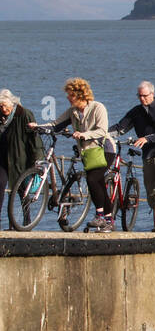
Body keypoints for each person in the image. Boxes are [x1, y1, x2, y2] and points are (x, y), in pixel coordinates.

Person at [34, 78, 114, 231]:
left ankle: (99, 217)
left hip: (104, 149)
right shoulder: (73, 111)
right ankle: (109, 220)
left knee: (93, 179)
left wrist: (84, 135)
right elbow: (56, 124)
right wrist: (38, 126)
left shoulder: (98, 107)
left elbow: (102, 131)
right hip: (88, 153)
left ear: (80, 95)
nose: (67, 98)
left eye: (70, 95)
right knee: (99, 185)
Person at [109, 81, 155, 232]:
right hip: (148, 154)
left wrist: (147, 138)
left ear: (152, 94)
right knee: (151, 190)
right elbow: (120, 128)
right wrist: (103, 134)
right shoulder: (136, 112)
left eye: (145, 96)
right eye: (139, 96)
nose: (142, 99)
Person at [0, 90, 40, 229]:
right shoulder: (0, 116)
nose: (3, 109)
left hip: (20, 157)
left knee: (21, 189)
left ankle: (26, 221)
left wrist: (37, 159)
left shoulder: (24, 114)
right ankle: (10, 224)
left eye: (5, 106)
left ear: (13, 103)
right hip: (3, 158)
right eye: (1, 106)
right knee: (1, 185)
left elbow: (34, 139)